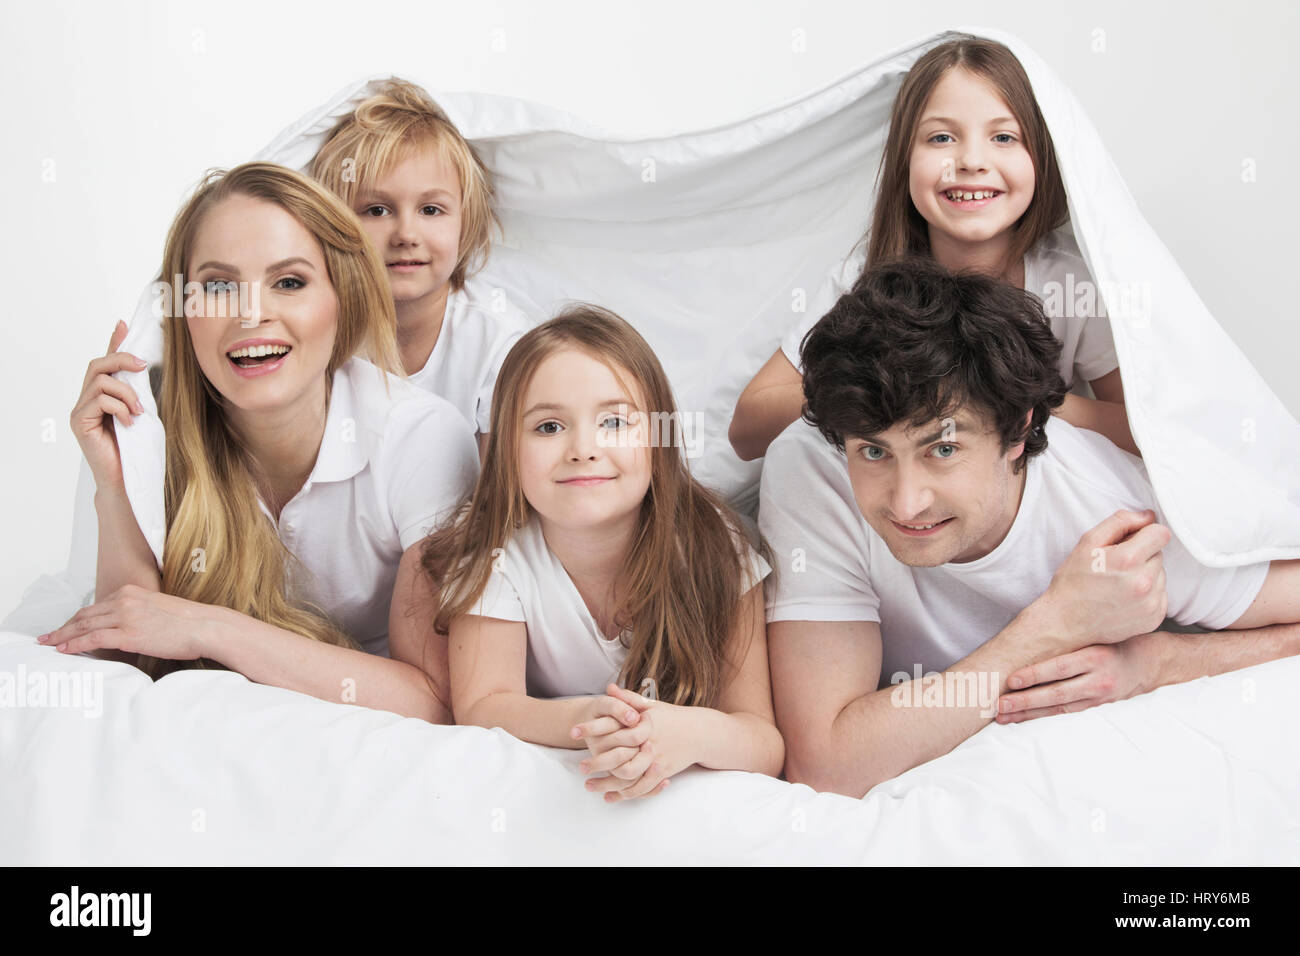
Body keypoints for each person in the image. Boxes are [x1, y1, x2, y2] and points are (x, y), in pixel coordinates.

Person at [759, 258, 1300, 798]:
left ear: (1017, 430)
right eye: (873, 452)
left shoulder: (1111, 505)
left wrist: (1160, 662)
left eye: (943, 449)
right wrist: (1054, 626)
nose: (907, 502)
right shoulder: (810, 469)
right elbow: (826, 766)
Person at [39, 163, 479, 722]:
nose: (251, 314)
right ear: (180, 314)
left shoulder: (420, 438)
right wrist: (118, 482)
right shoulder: (159, 431)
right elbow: (128, 651)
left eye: (289, 282)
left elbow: (434, 699)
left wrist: (210, 628)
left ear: (342, 297)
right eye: (219, 287)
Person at [424, 304, 784, 800]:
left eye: (615, 422)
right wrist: (587, 718)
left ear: (659, 441)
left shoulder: (715, 546)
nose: (583, 449)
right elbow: (484, 704)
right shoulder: (494, 550)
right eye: (549, 427)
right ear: (508, 450)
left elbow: (763, 742)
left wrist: (686, 733)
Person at [731, 35, 1133, 461]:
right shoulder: (865, 276)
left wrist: (1014, 397)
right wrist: (886, 388)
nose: (971, 161)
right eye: (941, 138)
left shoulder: (1068, 283)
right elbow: (746, 430)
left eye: (1004, 137)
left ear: (1043, 157)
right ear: (905, 157)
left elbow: (1152, 435)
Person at [311, 78, 530, 458]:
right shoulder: (319, 330)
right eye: (376, 210)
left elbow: (498, 497)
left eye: (431, 210)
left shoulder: (496, 341)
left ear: (466, 223)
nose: (406, 234)